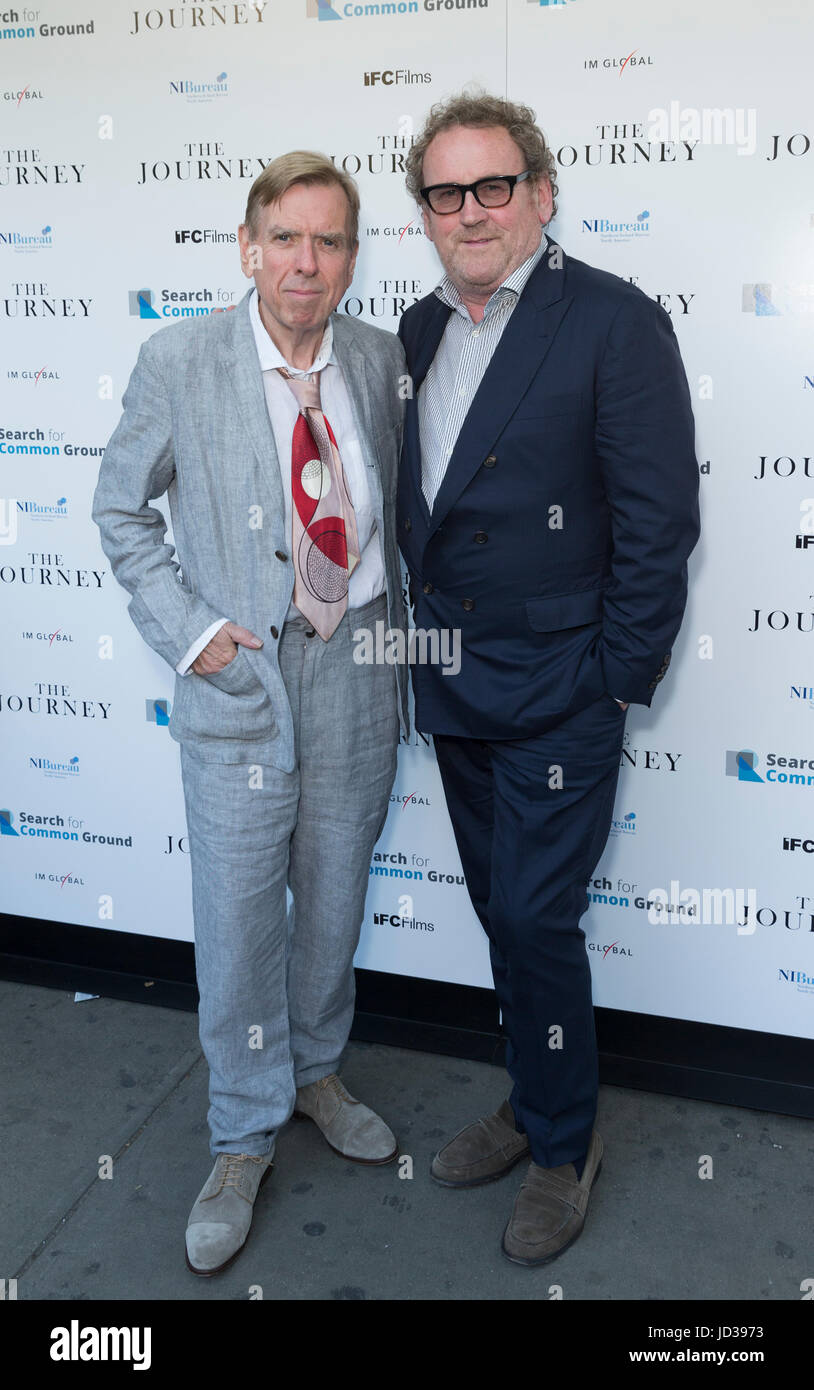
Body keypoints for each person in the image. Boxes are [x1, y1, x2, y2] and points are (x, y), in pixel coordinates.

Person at [397, 93, 700, 1266]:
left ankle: (564, 1142)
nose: (469, 210)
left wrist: (615, 679)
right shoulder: (420, 331)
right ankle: (530, 1098)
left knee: (536, 911)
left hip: (564, 683)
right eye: (444, 192)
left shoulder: (611, 322)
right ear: (423, 212)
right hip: (454, 676)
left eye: (492, 186)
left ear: (541, 193)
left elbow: (657, 519)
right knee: (497, 911)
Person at [93, 151, 408, 1277]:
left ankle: (315, 1070)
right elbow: (121, 513)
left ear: (351, 258)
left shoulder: (378, 359)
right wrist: (194, 634)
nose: (304, 262)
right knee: (236, 923)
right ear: (247, 244)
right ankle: (240, 1134)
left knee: (333, 898)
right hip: (241, 683)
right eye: (285, 237)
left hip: (361, 670)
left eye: (327, 242)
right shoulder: (178, 359)